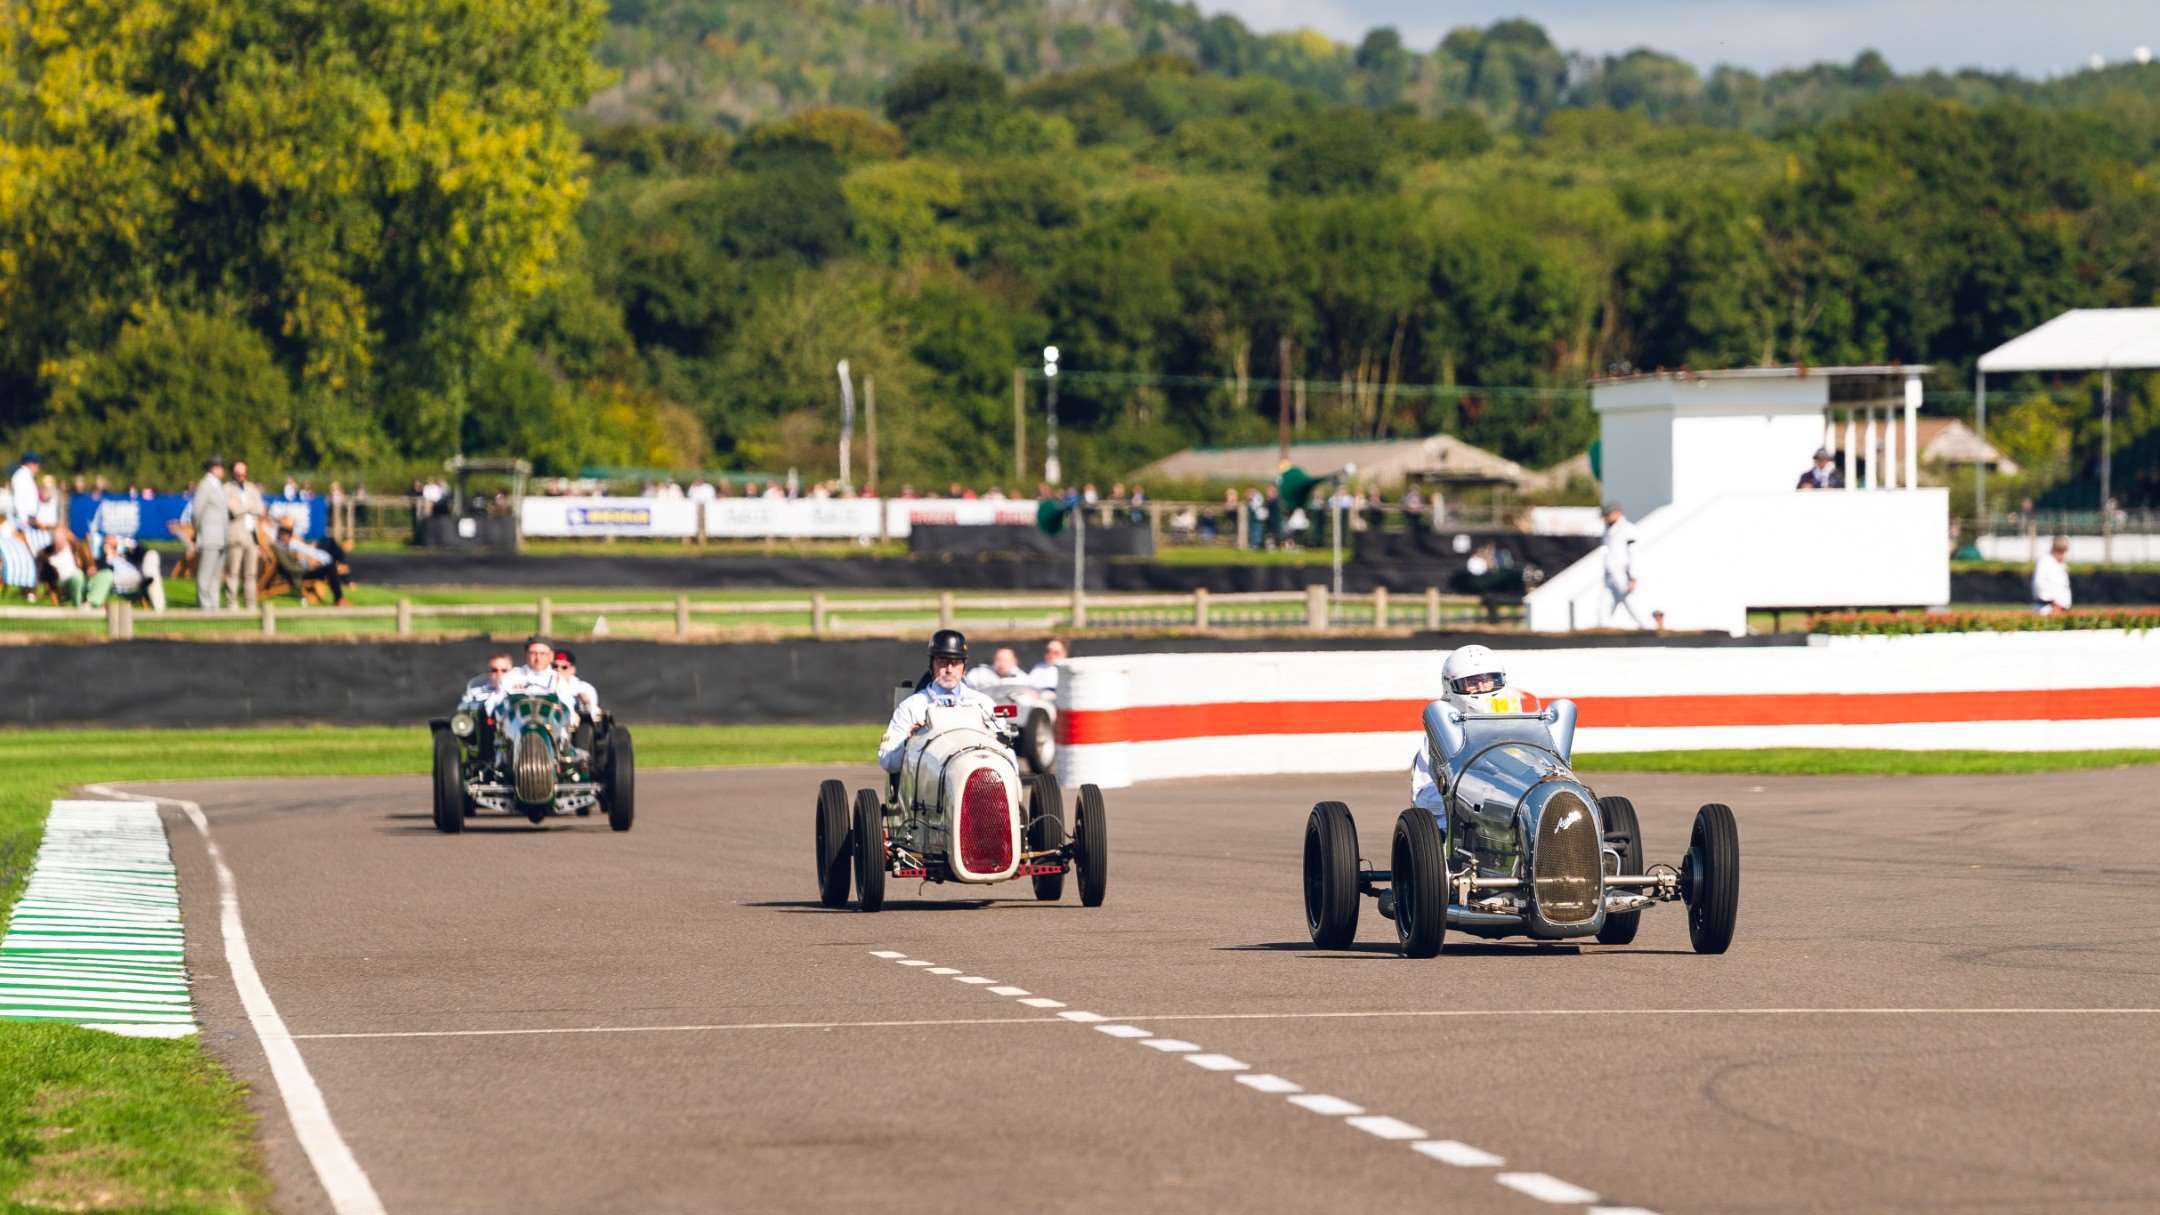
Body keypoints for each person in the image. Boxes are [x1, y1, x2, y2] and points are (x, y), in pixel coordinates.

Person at [1409, 645, 1521, 813]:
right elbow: (1424, 797)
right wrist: (1472, 793)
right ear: (1451, 686)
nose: (1482, 688)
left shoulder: (1522, 724)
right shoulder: (1442, 735)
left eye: (1488, 680)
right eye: (1472, 683)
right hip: (1460, 819)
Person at [878, 629, 997, 775]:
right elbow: (888, 761)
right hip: (927, 780)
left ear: (964, 667)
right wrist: (909, 742)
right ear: (932, 665)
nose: (949, 669)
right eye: (942, 662)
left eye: (955, 663)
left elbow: (1006, 752)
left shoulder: (983, 704)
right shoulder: (911, 707)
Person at [224, 460, 267, 610]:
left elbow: (260, 508)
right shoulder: (227, 489)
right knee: (233, 572)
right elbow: (234, 510)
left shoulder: (251, 488)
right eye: (238, 474)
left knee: (251, 574)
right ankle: (232, 604)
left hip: (251, 536)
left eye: (243, 473)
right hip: (235, 535)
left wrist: (246, 508)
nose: (241, 476)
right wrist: (249, 507)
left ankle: (251, 604)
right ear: (233, 473)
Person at [273, 520, 350, 605]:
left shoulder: (289, 545)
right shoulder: (278, 548)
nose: (286, 537)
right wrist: (307, 566)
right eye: (283, 534)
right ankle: (339, 598)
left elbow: (299, 556)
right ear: (279, 535)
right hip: (301, 574)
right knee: (330, 566)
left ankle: (339, 598)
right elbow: (289, 567)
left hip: (307, 568)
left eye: (288, 534)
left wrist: (308, 562)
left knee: (330, 563)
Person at [189, 455, 230, 611]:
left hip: (221, 538)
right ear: (214, 468)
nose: (222, 470)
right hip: (209, 537)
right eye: (220, 467)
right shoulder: (205, 485)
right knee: (205, 575)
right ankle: (204, 606)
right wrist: (199, 530)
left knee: (216, 575)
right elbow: (196, 511)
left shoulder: (218, 486)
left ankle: (214, 606)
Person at [85, 533, 164, 612]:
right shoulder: (103, 560)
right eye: (106, 542)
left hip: (139, 577)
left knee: (152, 557)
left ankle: (159, 610)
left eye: (111, 539)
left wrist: (122, 542)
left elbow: (140, 548)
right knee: (106, 575)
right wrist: (105, 553)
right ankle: (93, 604)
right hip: (118, 579)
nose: (109, 542)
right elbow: (96, 567)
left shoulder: (126, 554)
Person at [1599, 502, 1646, 629]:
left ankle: (1650, 629)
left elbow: (1634, 553)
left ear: (1617, 513)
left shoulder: (1627, 529)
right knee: (1603, 609)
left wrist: (1633, 576)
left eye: (1608, 515)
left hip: (1623, 575)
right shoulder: (1607, 529)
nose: (1605, 518)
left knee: (1634, 606)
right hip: (1610, 575)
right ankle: (1603, 634)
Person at [551, 648, 602, 724]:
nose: (558, 670)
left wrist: (586, 703)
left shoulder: (585, 688)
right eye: (554, 666)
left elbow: (595, 714)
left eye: (564, 667)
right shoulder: (543, 685)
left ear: (572, 670)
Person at [2032, 535, 2072, 615]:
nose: (2063, 555)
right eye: (2060, 551)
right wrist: (2053, 603)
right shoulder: (2045, 561)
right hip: (2047, 609)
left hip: (2062, 609)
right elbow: (2039, 584)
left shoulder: (2061, 564)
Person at [4, 452, 36, 528]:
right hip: (22, 520)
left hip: (26, 518)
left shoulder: (26, 475)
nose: (38, 467)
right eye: (36, 464)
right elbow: (18, 498)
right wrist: (24, 519)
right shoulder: (22, 476)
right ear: (30, 464)